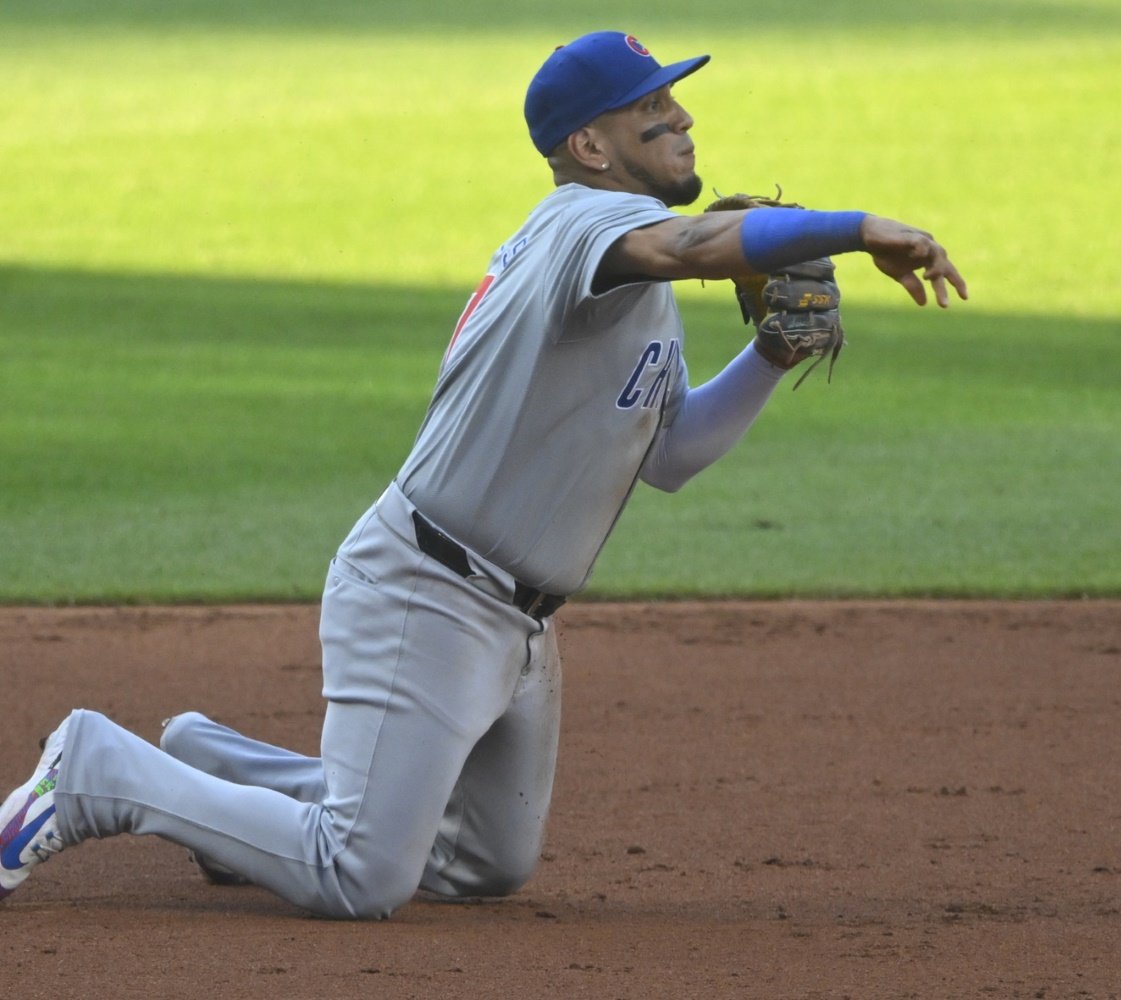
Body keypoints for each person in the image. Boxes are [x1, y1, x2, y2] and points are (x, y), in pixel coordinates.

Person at [0, 30, 966, 919]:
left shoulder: (634, 292)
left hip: (514, 625)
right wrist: (856, 226)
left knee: (481, 863)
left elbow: (668, 456)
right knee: (361, 874)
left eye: (674, 99)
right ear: (590, 147)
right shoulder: (580, 229)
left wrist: (766, 359)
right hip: (428, 589)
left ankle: (212, 773)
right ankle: (94, 769)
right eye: (652, 110)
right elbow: (688, 242)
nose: (681, 118)